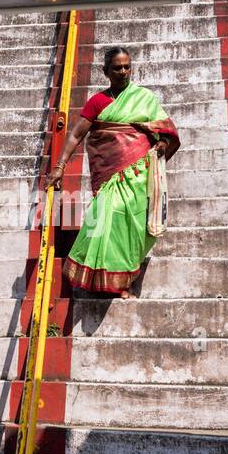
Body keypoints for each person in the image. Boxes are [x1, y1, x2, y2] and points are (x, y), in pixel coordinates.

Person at [47, 47, 180, 299]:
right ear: (105, 71)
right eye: (117, 68)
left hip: (139, 172)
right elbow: (76, 133)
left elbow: (163, 130)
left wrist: (161, 144)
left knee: (133, 225)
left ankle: (124, 281)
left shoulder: (145, 98)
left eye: (127, 66)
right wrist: (59, 166)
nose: (123, 72)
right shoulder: (97, 101)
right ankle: (103, 280)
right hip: (109, 175)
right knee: (107, 219)